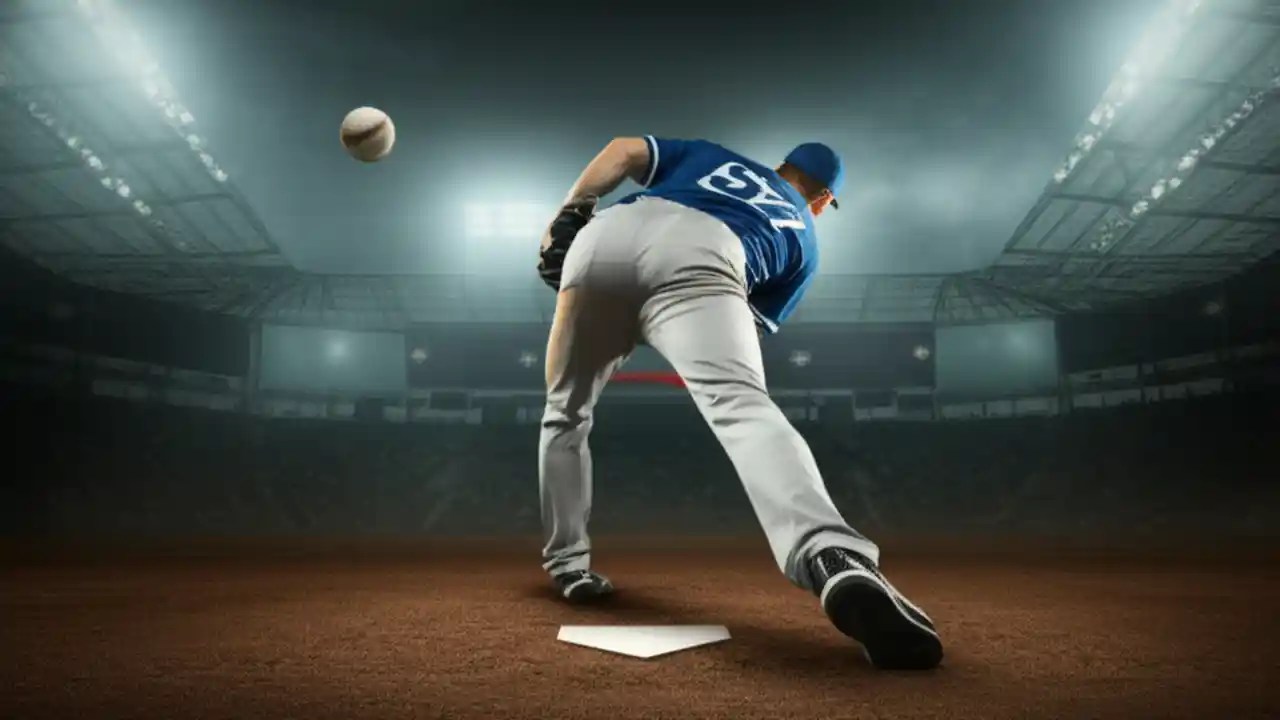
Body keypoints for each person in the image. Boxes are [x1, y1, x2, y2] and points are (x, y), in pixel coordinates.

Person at [534, 136, 943, 670]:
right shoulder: (807, 241)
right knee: (743, 407)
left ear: (781, 166)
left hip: (608, 234)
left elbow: (625, 150)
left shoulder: (716, 157)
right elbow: (743, 326)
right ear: (822, 199)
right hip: (712, 254)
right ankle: (829, 553)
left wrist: (573, 212)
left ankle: (568, 566)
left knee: (565, 413)